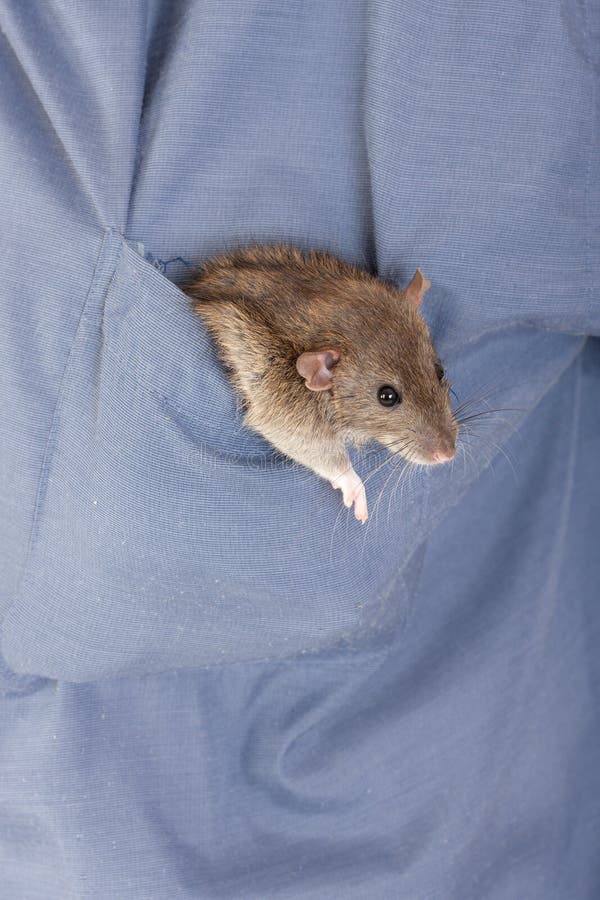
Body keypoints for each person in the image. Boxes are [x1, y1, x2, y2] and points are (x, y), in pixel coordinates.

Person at [1, 2, 598, 896]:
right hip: (120, 756)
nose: (439, 433)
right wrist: (338, 468)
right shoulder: (302, 376)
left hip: (477, 733)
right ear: (321, 372)